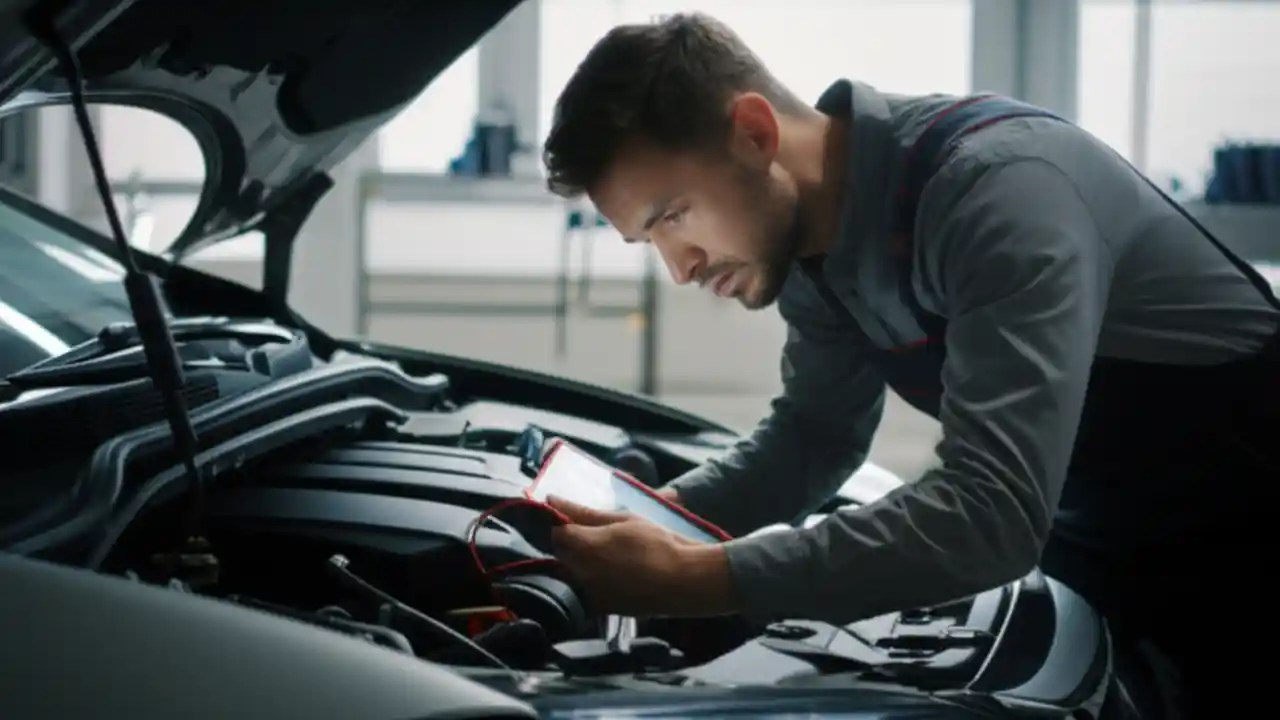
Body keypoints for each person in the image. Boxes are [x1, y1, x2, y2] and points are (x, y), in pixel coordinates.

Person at [539, 12, 1279, 715]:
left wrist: (701, 579)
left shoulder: (1000, 191)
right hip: (1107, 545)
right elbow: (814, 437)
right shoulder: (805, 241)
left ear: (754, 132)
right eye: (650, 239)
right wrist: (627, 523)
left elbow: (989, 514)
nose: (680, 267)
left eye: (672, 215)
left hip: (1250, 551)